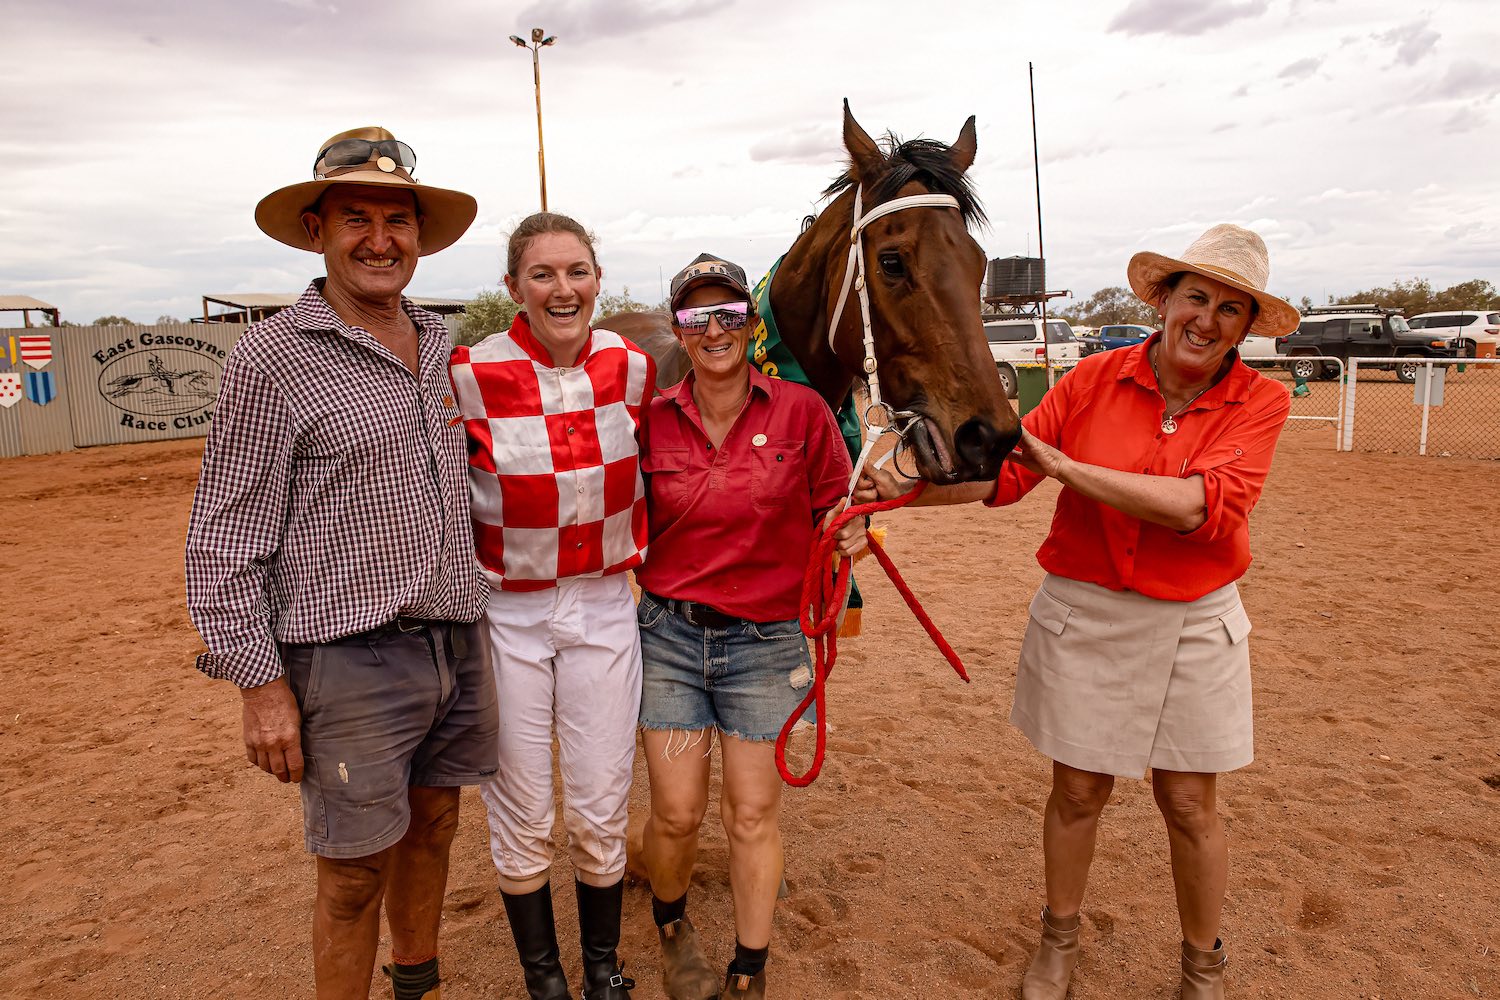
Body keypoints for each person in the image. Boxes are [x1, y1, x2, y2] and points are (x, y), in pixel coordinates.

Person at [858, 224, 1302, 1000]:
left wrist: (1064, 463)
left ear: (1245, 326)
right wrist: (910, 493)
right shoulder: (1094, 379)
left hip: (1197, 619)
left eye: (1232, 310)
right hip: (1087, 612)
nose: (1207, 321)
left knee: (1192, 803)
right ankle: (1057, 941)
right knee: (1077, 792)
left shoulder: (1258, 401)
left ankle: (1203, 962)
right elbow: (1003, 478)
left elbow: (1204, 507)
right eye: (1196, 297)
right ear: (1165, 301)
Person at [185, 126, 492, 1000]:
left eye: (398, 221)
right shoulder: (272, 357)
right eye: (356, 218)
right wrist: (259, 685)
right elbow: (223, 537)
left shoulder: (437, 343)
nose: (379, 240)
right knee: (353, 875)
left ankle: (416, 984)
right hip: (345, 660)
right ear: (317, 228)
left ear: (420, 238)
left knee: (434, 829)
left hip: (454, 641)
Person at [634, 254, 866, 1000]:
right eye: (698, 317)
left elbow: (836, 506)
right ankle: (672, 924)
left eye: (729, 314)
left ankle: (749, 969)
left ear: (750, 323)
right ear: (680, 329)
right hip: (669, 636)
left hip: (766, 643)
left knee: (752, 812)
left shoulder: (802, 413)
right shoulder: (651, 421)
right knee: (674, 814)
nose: (715, 329)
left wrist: (848, 532)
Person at [448, 212, 654, 1000]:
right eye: (543, 274)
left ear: (598, 279)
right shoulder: (468, 373)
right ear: (514, 288)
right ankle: (545, 982)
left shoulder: (633, 366)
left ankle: (602, 970)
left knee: (601, 805)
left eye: (577, 272)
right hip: (509, 614)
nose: (562, 289)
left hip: (604, 605)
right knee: (524, 810)